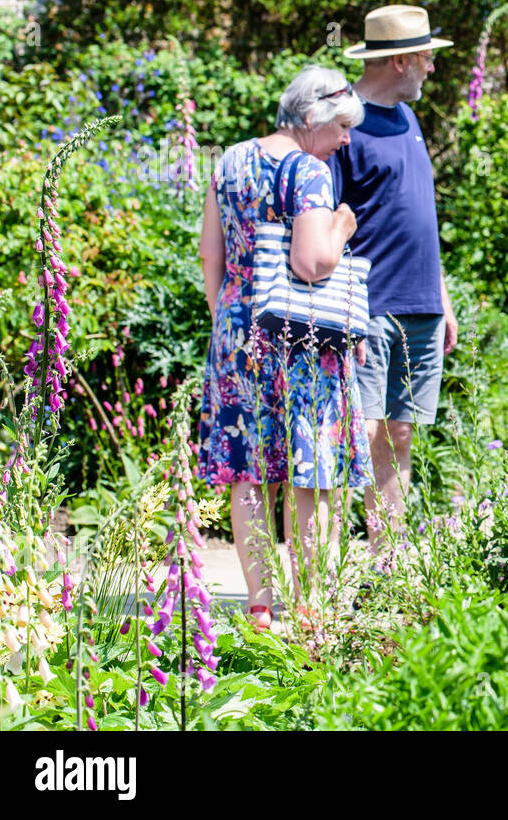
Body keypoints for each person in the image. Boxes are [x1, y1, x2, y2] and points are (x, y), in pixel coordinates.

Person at [198, 65, 373, 630]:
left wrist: (228, 319)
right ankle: (309, 607)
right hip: (298, 340)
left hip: (235, 330)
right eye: (342, 126)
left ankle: (260, 605)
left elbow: (211, 256)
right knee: (312, 467)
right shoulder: (309, 171)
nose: (346, 139)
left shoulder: (229, 161)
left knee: (249, 469)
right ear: (312, 118)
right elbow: (312, 261)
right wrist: (342, 230)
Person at [329, 5, 459, 559]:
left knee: (402, 434)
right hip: (369, 305)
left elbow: (419, 213)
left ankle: (390, 563)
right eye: (427, 57)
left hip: (421, 304)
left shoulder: (410, 118)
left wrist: (444, 299)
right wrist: (342, 312)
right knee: (363, 432)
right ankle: (327, 569)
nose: (432, 68)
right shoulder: (344, 122)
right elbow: (327, 219)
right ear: (402, 59)